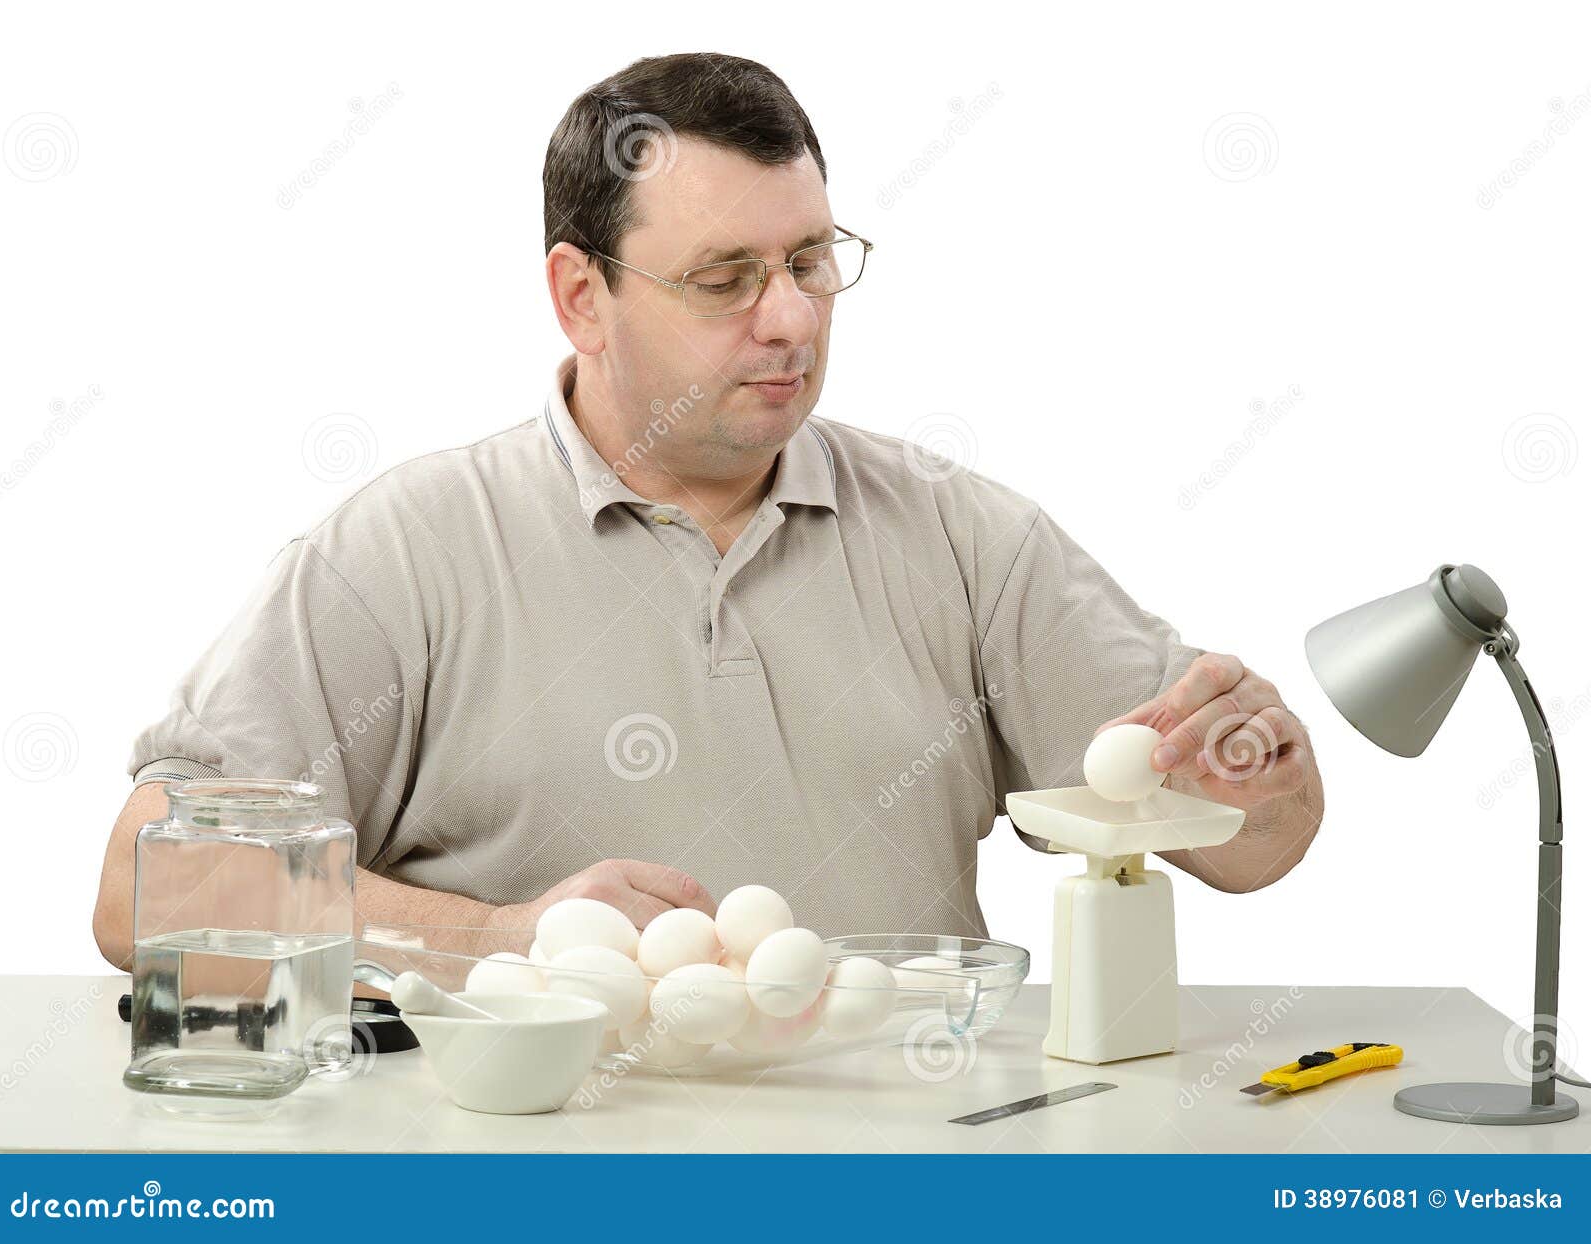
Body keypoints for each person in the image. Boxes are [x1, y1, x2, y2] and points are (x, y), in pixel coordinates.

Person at [92, 52, 1323, 969]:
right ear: (580, 296)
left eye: (808, 261)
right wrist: (503, 936)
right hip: (526, 1173)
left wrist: (1257, 775)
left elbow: (1245, 844)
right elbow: (147, 890)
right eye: (724, 277)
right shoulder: (402, 552)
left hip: (906, 1167)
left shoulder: (966, 539)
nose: (788, 318)